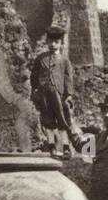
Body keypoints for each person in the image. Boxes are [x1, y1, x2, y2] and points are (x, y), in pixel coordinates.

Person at [30, 25, 78, 156]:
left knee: (62, 119)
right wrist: (34, 90)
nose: (53, 44)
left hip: (59, 94)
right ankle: (51, 145)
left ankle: (66, 145)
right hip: (44, 94)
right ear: (47, 42)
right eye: (50, 42)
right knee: (47, 119)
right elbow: (34, 75)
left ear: (61, 44)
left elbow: (68, 79)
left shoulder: (64, 60)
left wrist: (68, 95)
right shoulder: (41, 59)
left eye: (56, 42)